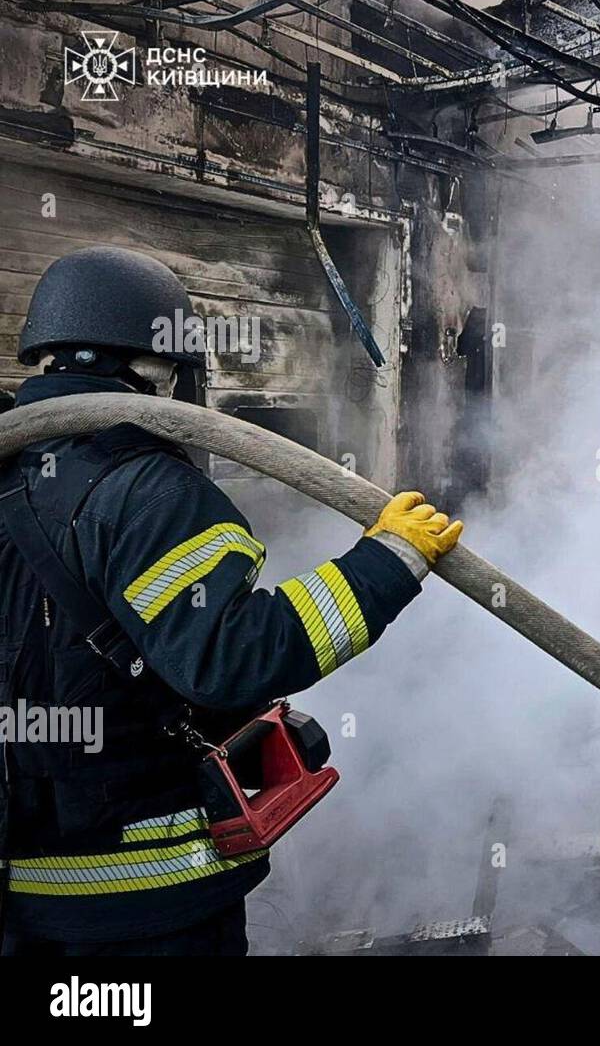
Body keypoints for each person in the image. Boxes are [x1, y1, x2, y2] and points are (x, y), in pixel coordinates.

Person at [0, 246, 462, 955]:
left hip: (26, 904)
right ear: (160, 366)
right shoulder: (147, 490)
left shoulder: (14, 473)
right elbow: (230, 656)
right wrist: (387, 562)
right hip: (146, 904)